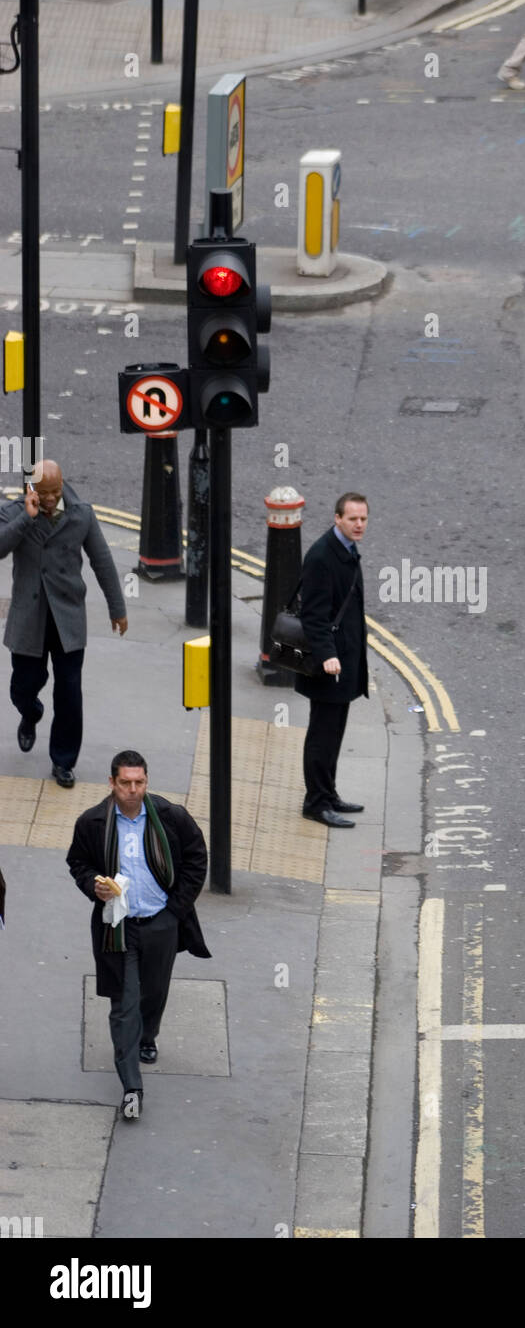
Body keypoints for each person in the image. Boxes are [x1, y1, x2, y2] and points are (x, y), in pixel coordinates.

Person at [67, 750, 211, 1120]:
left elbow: (197, 858)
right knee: (123, 1003)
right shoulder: (93, 822)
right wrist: (92, 886)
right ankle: (131, 1086)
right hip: (118, 927)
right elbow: (78, 862)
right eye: (125, 783)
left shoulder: (170, 816)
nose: (133, 790)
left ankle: (148, 1036)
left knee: (154, 991)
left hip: (161, 923)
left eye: (139, 782)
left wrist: (175, 912)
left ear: (147, 781)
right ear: (112, 783)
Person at [0, 460, 127, 787]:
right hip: (30, 618)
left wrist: (117, 607)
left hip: (68, 618)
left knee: (69, 691)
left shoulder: (81, 513)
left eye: (55, 491)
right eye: (44, 493)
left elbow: (102, 560)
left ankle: (63, 761)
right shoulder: (16, 511)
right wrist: (26, 519)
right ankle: (30, 713)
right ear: (32, 490)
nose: (51, 498)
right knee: (23, 686)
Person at [294, 494, 369, 829]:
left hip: (344, 662)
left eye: (363, 519)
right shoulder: (323, 556)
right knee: (322, 734)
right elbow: (313, 615)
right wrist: (328, 656)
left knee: (334, 730)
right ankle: (316, 803)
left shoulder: (346, 549)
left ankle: (329, 793)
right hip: (329, 665)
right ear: (337, 518)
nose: (359, 525)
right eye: (352, 519)